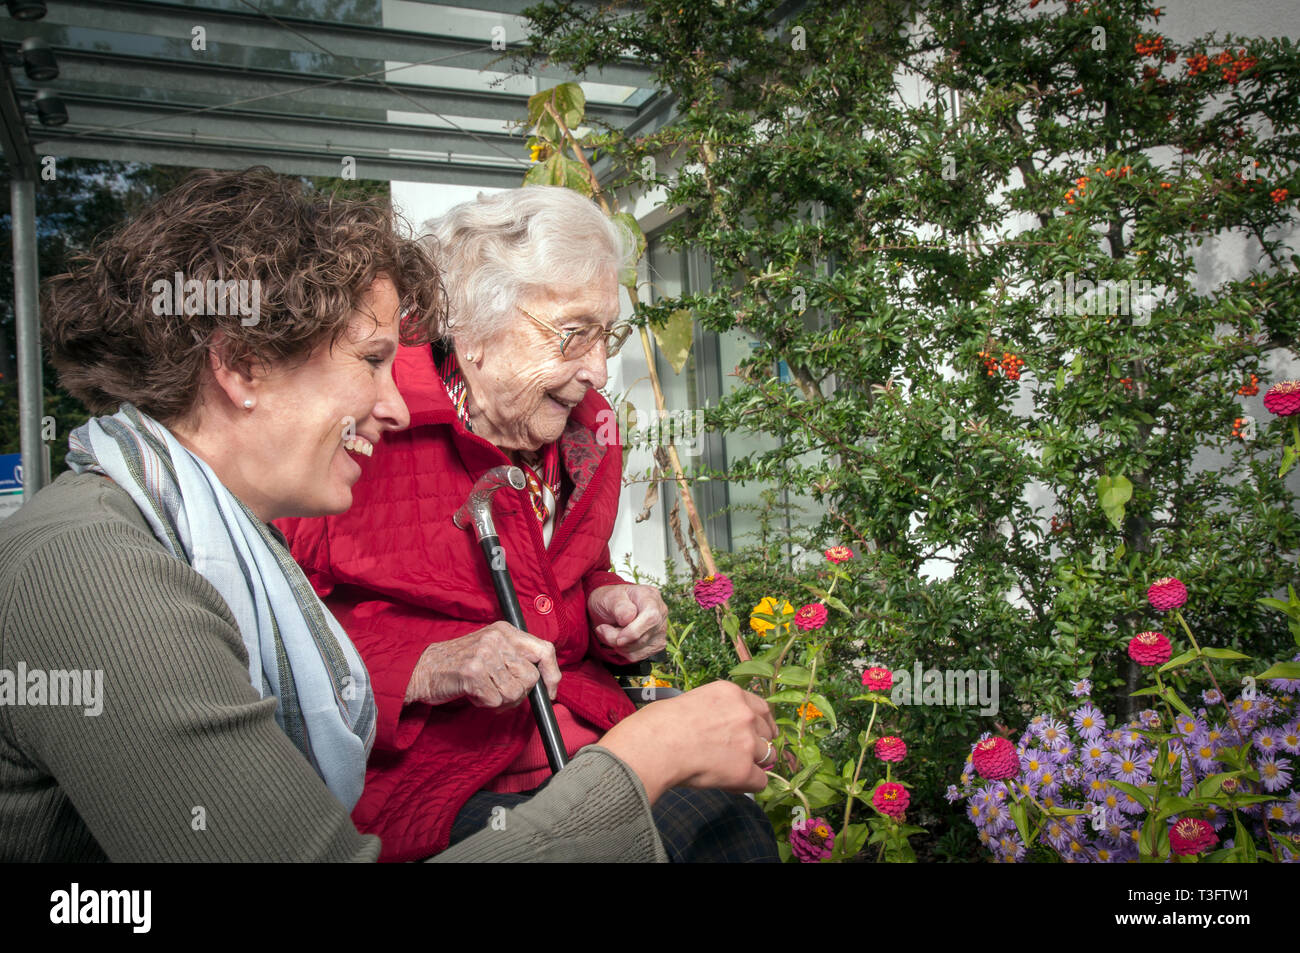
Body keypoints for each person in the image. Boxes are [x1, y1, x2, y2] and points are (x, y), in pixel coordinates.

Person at [0, 168, 777, 862]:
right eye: (373, 359)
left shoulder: (177, 528)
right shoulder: (105, 576)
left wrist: (610, 615)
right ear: (239, 366)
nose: (399, 402)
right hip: (443, 788)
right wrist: (646, 759)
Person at [278, 186, 781, 862]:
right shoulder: (362, 431)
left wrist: (609, 601)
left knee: (728, 828)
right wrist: (430, 664)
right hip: (441, 779)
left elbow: (567, 572)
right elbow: (276, 638)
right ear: (477, 326)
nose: (599, 369)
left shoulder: (591, 430)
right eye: (574, 333)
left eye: (607, 335)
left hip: (583, 737)